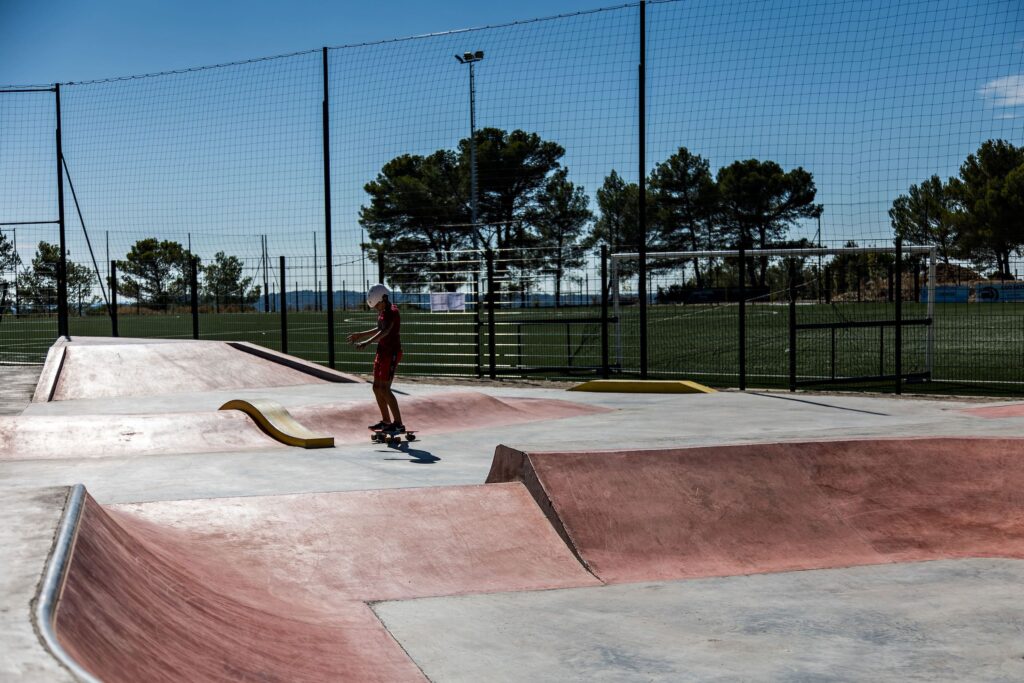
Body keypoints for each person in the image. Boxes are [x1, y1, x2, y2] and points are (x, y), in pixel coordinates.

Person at [346, 284, 404, 434]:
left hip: (391, 353)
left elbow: (385, 331)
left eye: (377, 305)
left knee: (385, 389)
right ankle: (386, 421)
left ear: (384, 298)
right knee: (376, 387)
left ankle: (398, 424)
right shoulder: (383, 312)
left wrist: (367, 342)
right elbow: (379, 328)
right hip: (382, 352)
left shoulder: (392, 312)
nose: (376, 308)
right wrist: (360, 335)